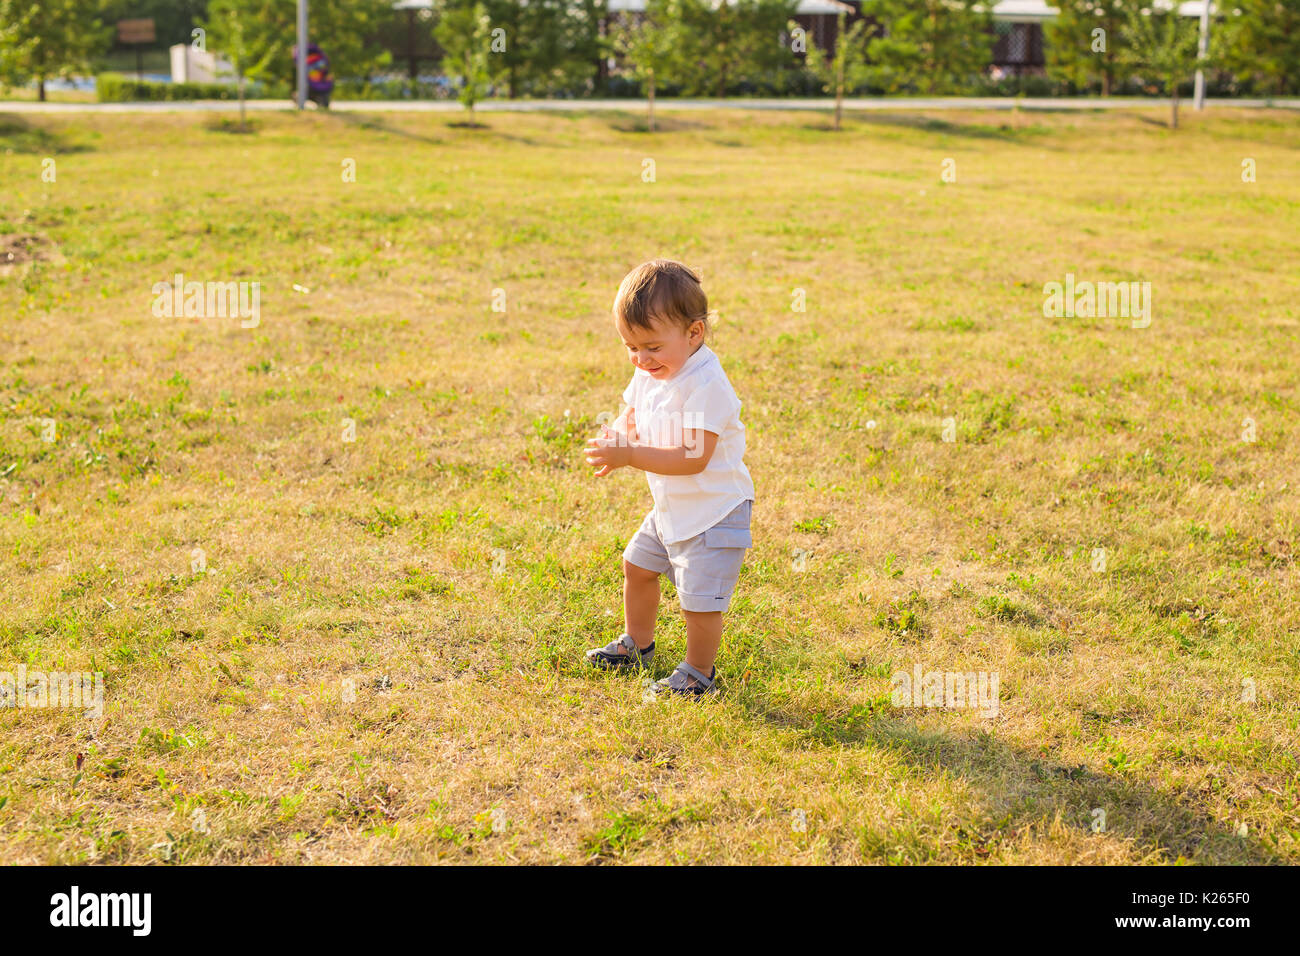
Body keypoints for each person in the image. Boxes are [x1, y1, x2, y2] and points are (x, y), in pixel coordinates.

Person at [583, 260, 756, 698]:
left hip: (713, 512)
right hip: (672, 509)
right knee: (637, 566)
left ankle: (699, 674)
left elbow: (692, 458)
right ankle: (636, 645)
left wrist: (631, 455)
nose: (641, 360)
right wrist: (619, 435)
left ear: (694, 334)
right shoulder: (653, 370)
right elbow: (634, 411)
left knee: (698, 603)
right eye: (631, 348)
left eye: (651, 347)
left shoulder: (705, 384)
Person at [294, 42, 334, 108]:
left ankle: (320, 102)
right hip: (313, 83)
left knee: (321, 94)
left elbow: (325, 71)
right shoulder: (319, 60)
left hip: (317, 82)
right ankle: (300, 98)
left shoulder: (317, 59)